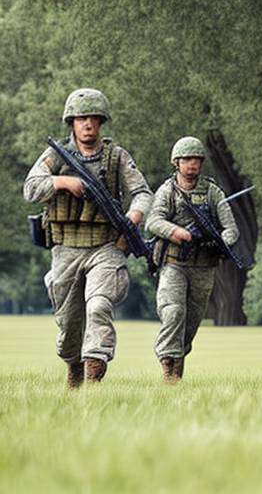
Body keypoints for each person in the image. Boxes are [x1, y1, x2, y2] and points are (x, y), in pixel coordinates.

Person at [23, 88, 153, 387]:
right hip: (66, 248)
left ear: (101, 121)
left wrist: (133, 219)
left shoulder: (117, 156)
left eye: (93, 118)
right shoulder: (57, 156)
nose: (87, 125)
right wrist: (61, 181)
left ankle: (96, 360)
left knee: (98, 304)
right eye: (81, 118)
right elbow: (30, 189)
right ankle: (74, 367)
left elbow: (143, 194)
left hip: (105, 246)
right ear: (72, 122)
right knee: (69, 323)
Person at [145, 136, 240, 383]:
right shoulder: (168, 191)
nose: (192, 164)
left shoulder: (212, 192)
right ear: (177, 162)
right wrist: (176, 232)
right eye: (187, 159)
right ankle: (168, 369)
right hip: (174, 264)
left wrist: (218, 241)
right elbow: (153, 221)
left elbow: (231, 229)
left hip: (203, 266)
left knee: (191, 321)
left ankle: (178, 368)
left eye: (196, 159)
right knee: (173, 312)